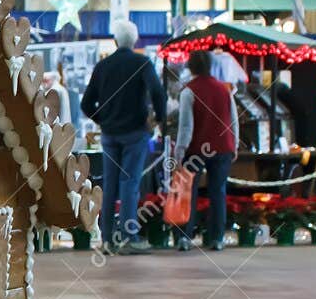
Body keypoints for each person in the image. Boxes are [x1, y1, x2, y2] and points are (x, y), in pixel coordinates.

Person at [81, 18, 166, 253]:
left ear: (115, 40)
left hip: (109, 135)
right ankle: (129, 237)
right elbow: (158, 92)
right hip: (135, 133)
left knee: (109, 185)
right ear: (135, 40)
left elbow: (87, 103)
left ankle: (107, 239)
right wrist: (158, 117)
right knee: (130, 184)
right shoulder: (142, 62)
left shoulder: (103, 66)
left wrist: (103, 121)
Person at [171, 49, 240, 251]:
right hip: (223, 148)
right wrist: (234, 145)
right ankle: (217, 238)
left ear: (190, 67)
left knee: (188, 192)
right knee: (218, 191)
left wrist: (179, 153)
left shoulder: (188, 92)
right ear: (211, 66)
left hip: (196, 150)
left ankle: (184, 237)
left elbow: (186, 127)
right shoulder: (225, 90)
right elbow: (233, 120)